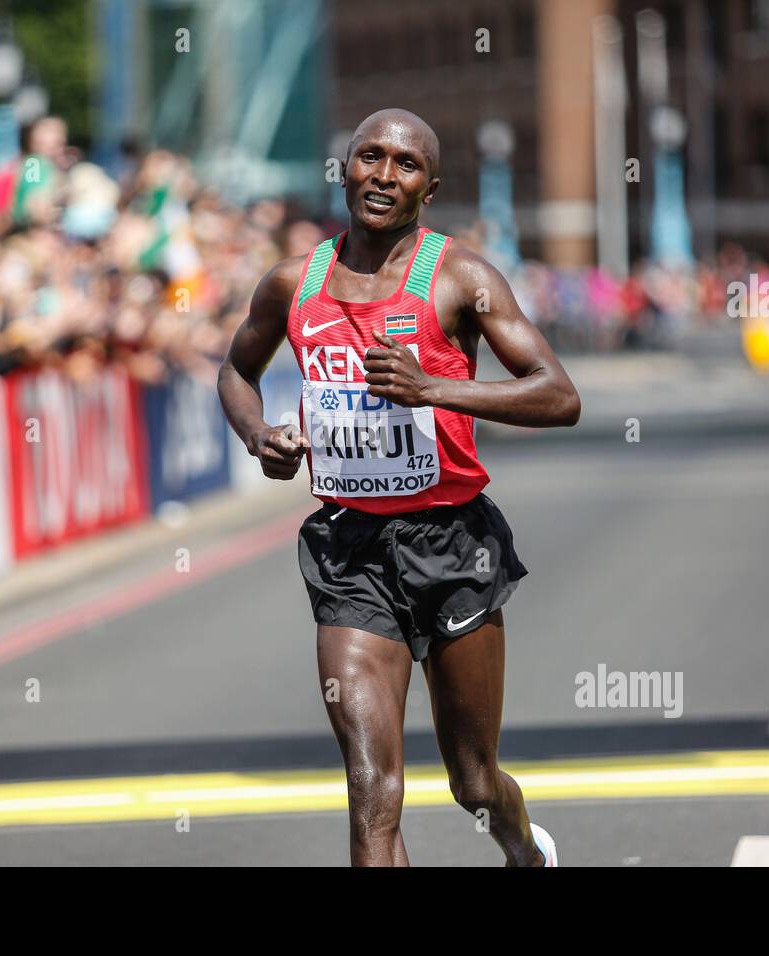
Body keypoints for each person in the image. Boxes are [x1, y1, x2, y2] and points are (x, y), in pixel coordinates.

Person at [218, 109, 580, 866]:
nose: (384, 175)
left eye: (405, 165)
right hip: (350, 548)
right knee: (371, 792)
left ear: (430, 187)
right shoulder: (295, 281)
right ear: (344, 169)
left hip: (453, 543)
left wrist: (435, 391)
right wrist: (262, 437)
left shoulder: (462, 279)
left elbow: (558, 396)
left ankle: (524, 850)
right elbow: (236, 370)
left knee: (474, 784)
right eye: (369, 158)